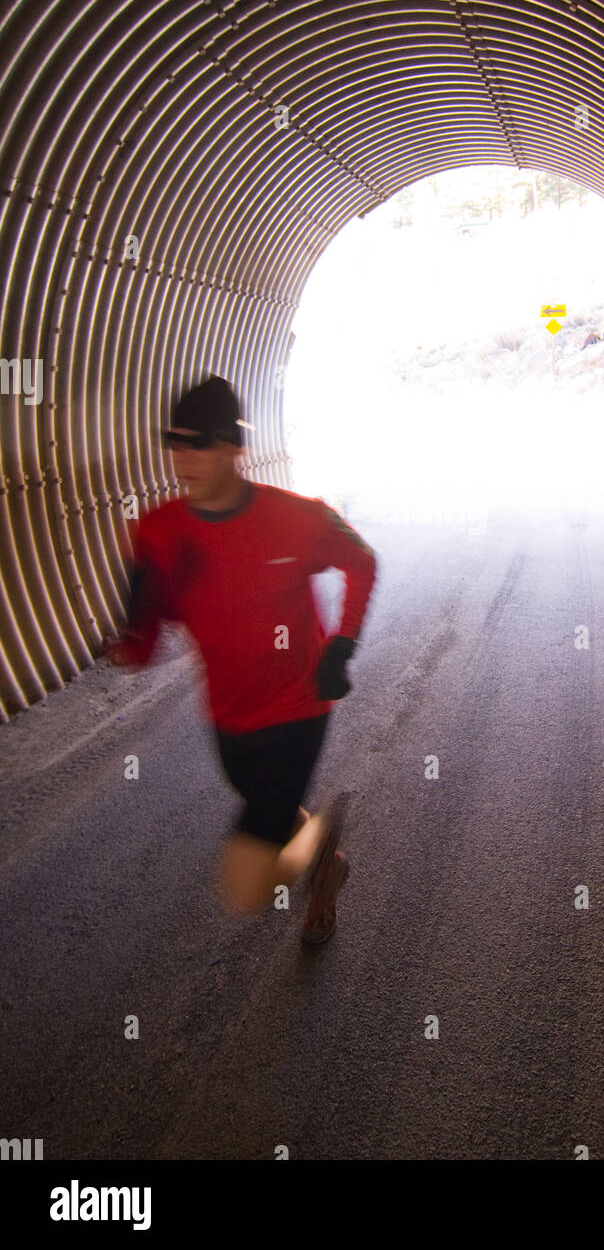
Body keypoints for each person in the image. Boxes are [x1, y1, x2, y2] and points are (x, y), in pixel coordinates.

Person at [103, 374, 377, 944]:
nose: (183, 457)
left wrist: (343, 645)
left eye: (198, 442)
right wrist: (131, 640)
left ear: (234, 445)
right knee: (271, 810)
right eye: (174, 442)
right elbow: (144, 639)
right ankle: (324, 856)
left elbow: (363, 560)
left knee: (247, 886)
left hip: (299, 705)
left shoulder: (298, 518)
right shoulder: (160, 531)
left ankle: (322, 855)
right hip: (228, 718)